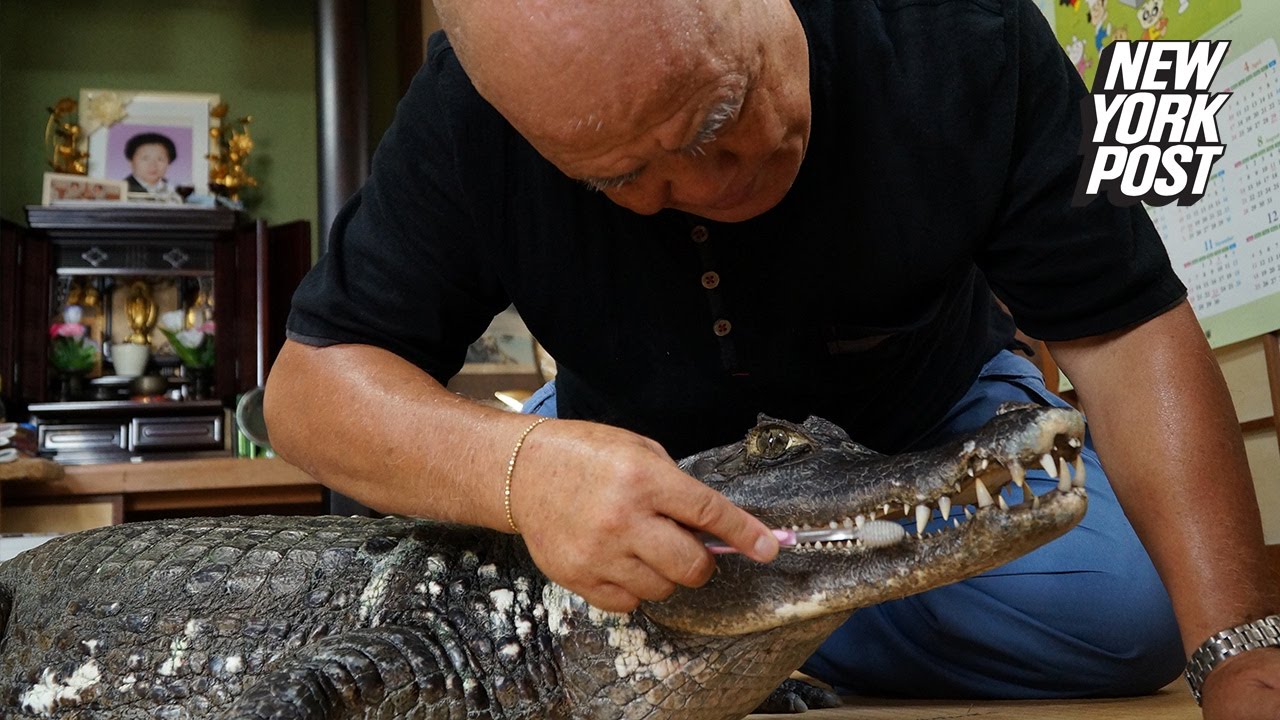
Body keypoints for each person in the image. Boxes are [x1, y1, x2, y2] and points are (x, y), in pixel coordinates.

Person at [265, 0, 1280, 715]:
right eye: (620, 175)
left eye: (718, 115)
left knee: (1124, 617)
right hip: (636, 455)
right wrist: (525, 473)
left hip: (926, 425)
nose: (704, 184)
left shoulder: (964, 32)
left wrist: (1237, 650)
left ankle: (698, 619)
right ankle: (684, 583)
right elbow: (308, 390)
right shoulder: (462, 117)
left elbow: (1124, 330)